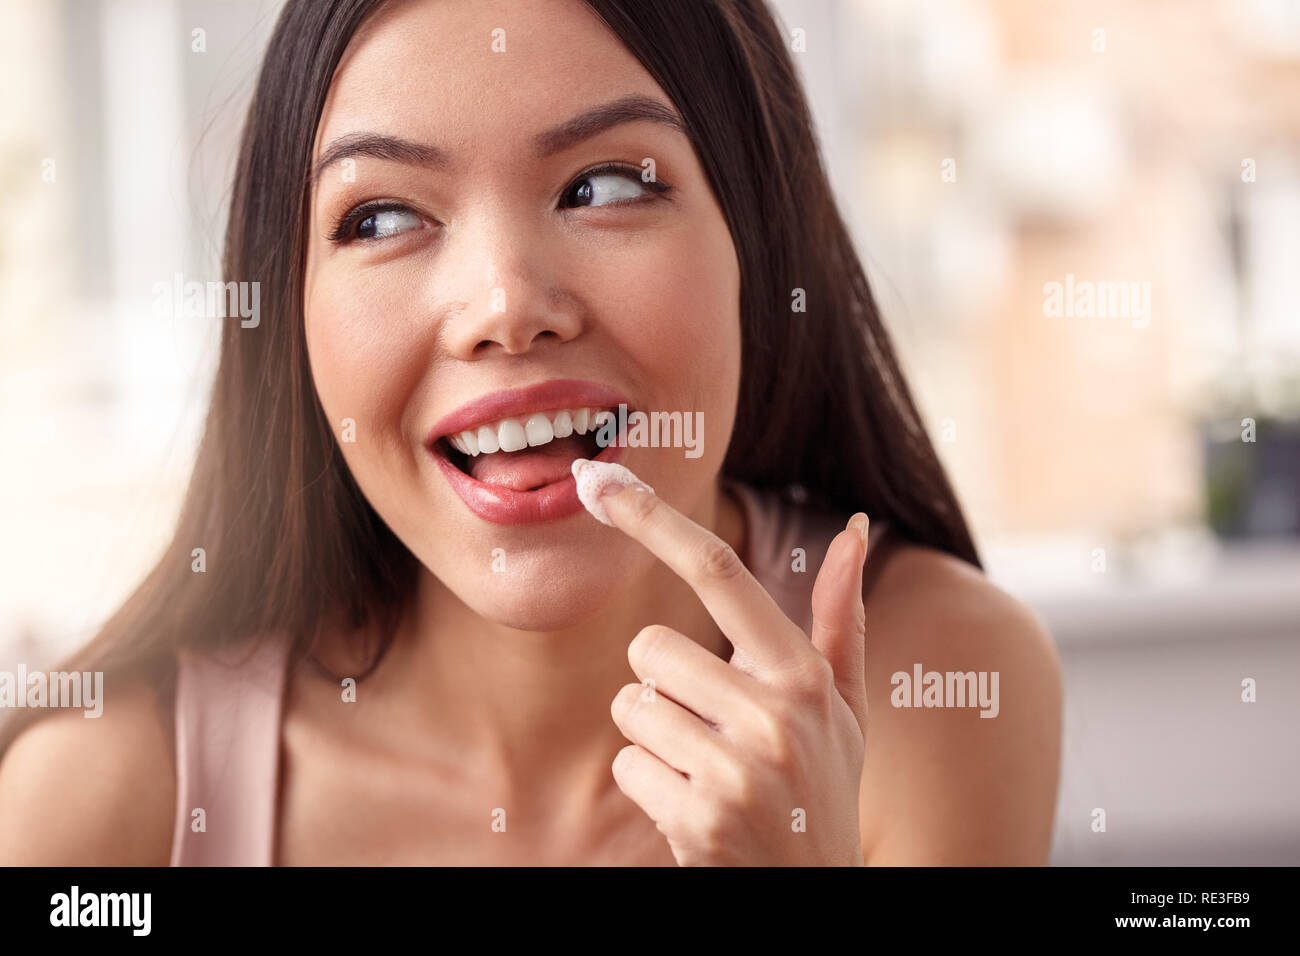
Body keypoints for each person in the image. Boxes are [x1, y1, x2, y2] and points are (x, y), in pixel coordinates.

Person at [0, 0, 1062, 865]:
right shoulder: (99, 802)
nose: (505, 303)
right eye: (380, 217)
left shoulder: (934, 677)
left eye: (604, 186)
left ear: (756, 239)